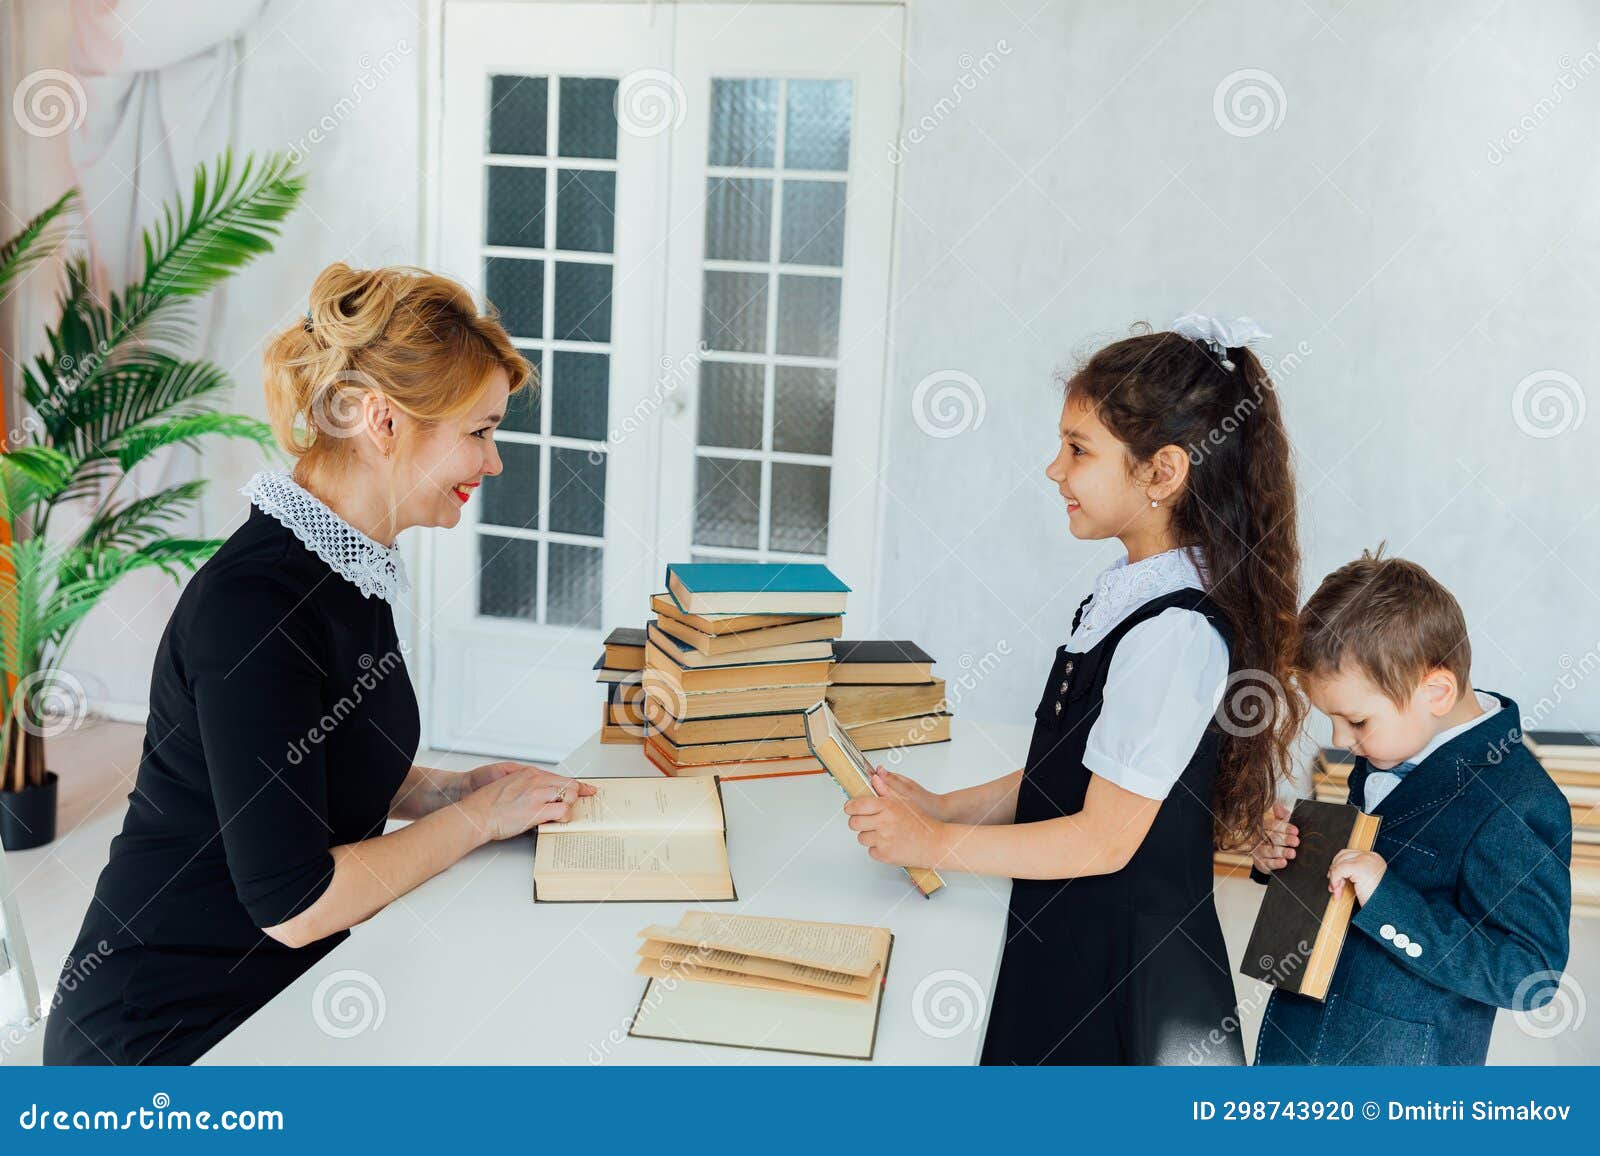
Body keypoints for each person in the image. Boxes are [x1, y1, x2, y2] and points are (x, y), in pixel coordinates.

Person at [44, 263, 592, 1065]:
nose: (494, 461)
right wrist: (476, 822)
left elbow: (308, 756)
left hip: (283, 1004)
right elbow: (294, 904)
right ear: (384, 422)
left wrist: (448, 791)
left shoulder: (345, 565)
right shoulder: (257, 605)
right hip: (163, 1043)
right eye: (479, 431)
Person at [844, 316, 1303, 1064]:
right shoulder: (1130, 595)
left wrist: (934, 843)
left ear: (1163, 473)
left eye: (1078, 450)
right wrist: (945, 805)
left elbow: (1103, 835)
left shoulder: (1174, 632)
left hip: (1128, 985)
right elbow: (1073, 774)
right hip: (1075, 941)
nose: (1055, 470)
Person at [1251, 551, 1571, 1065]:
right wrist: (1288, 856)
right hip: (1297, 1046)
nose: (1339, 740)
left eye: (1355, 721)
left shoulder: (1519, 802)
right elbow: (1351, 875)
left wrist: (1389, 901)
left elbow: (1528, 976)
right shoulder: (1395, 741)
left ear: (1437, 691)